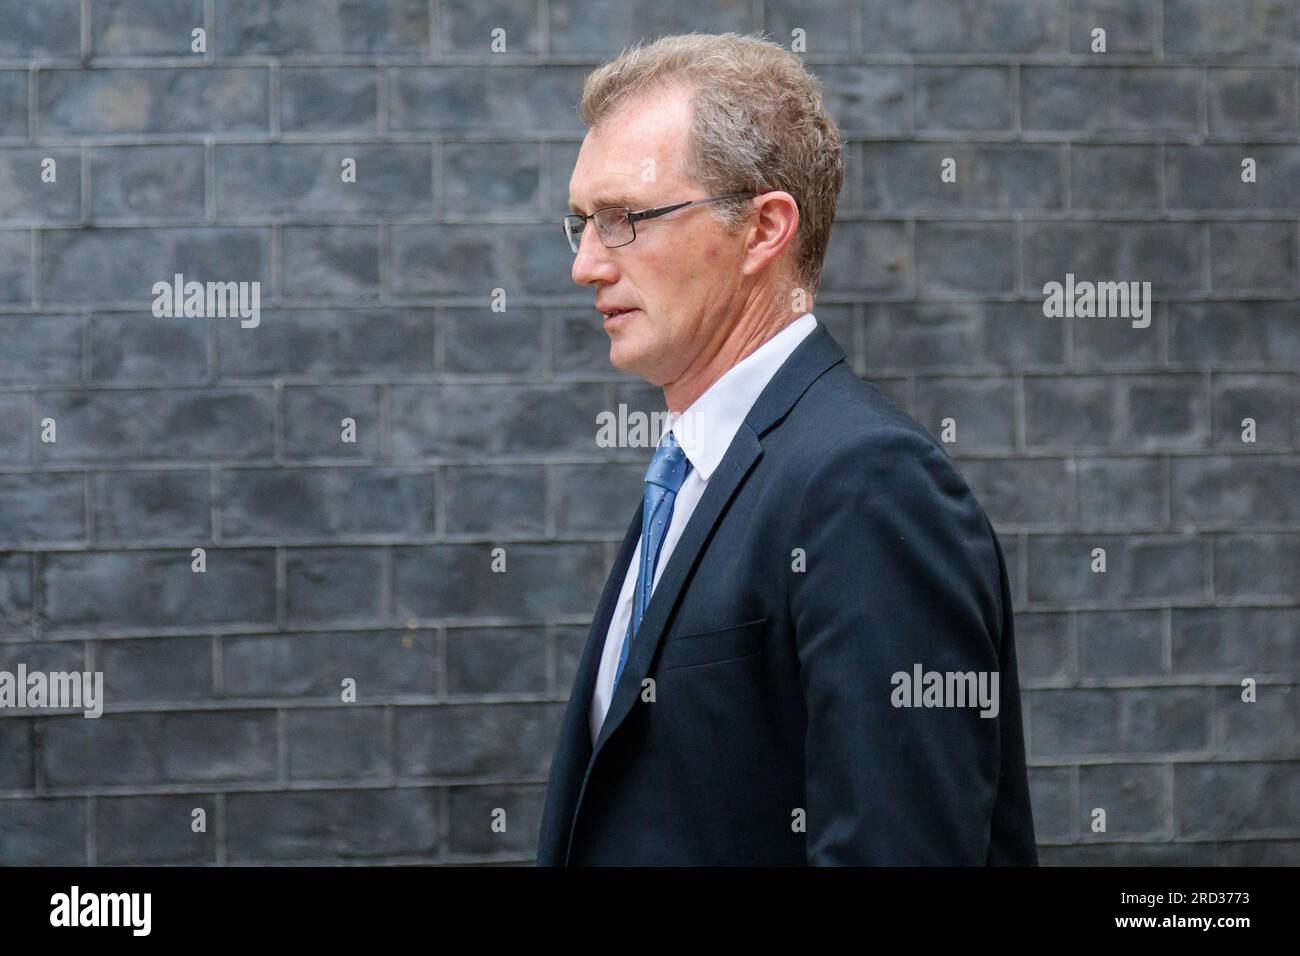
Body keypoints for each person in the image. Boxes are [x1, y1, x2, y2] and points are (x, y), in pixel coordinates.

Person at [537, 32, 1037, 865]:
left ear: (764, 228)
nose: (587, 264)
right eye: (581, 223)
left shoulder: (867, 485)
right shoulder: (694, 471)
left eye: (624, 219)